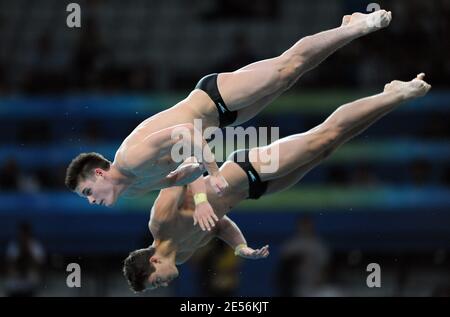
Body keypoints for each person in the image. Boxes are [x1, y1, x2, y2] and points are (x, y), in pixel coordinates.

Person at [122, 74, 431, 292]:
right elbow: (219, 225)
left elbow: (184, 166)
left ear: (152, 261)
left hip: (243, 170)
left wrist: (201, 201)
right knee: (326, 149)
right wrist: (241, 246)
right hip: (256, 190)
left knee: (320, 137)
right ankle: (391, 97)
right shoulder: (185, 254)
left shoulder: (160, 222)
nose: (164, 284)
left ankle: (395, 93)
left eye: (156, 281)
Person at [65, 10, 393, 209]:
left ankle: (357, 27)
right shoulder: (135, 189)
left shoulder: (130, 159)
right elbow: (184, 169)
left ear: (99, 172)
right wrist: (191, 172)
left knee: (285, 68)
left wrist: (214, 172)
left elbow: (185, 132)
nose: (92, 200)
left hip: (214, 97)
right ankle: (346, 27)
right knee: (290, 78)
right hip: (224, 119)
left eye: (89, 192)